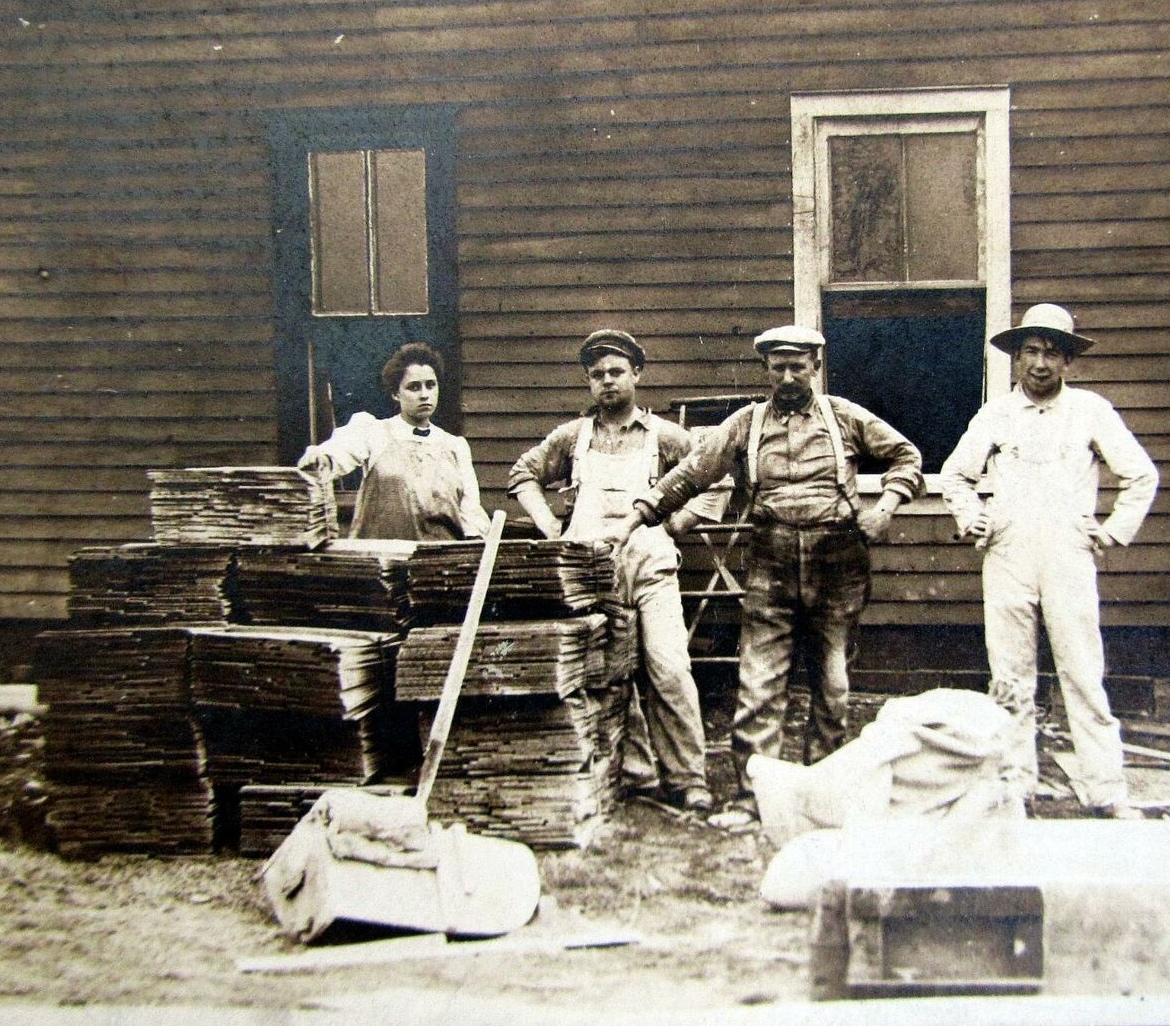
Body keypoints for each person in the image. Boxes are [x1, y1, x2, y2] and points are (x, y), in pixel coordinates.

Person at [610, 325, 925, 826]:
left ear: (815, 368)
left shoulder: (843, 416)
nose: (787, 376)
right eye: (778, 367)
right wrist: (635, 517)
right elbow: (691, 474)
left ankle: (823, 797)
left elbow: (906, 455)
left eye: (797, 366)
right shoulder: (745, 424)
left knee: (834, 685)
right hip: (771, 559)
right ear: (766, 370)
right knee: (759, 684)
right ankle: (754, 799)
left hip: (837, 557)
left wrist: (886, 505)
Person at [939, 302, 1158, 818]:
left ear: (1067, 362)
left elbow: (1140, 475)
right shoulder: (994, 415)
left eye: (1052, 353)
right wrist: (971, 516)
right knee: (1011, 673)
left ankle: (1106, 791)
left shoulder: (1091, 411)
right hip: (1008, 551)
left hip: (1068, 552)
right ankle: (1016, 788)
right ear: (1016, 359)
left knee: (1082, 670)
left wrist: (1111, 532)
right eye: (1031, 351)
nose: (1040, 363)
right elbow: (954, 476)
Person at [508, 330, 727, 814]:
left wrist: (679, 523)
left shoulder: (666, 436)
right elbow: (521, 474)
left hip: (650, 566)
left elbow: (718, 475)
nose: (607, 382)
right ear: (588, 381)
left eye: (616, 372)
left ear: (637, 376)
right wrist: (552, 530)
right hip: (590, 571)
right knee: (609, 673)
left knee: (669, 666)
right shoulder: (572, 437)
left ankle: (688, 779)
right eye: (597, 374)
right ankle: (634, 773)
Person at [298, 342, 490, 541]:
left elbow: (471, 512)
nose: (424, 394)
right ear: (396, 393)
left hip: (438, 564)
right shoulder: (372, 432)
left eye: (430, 385)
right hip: (382, 560)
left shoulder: (455, 446)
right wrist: (323, 458)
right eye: (413, 387)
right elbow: (341, 450)